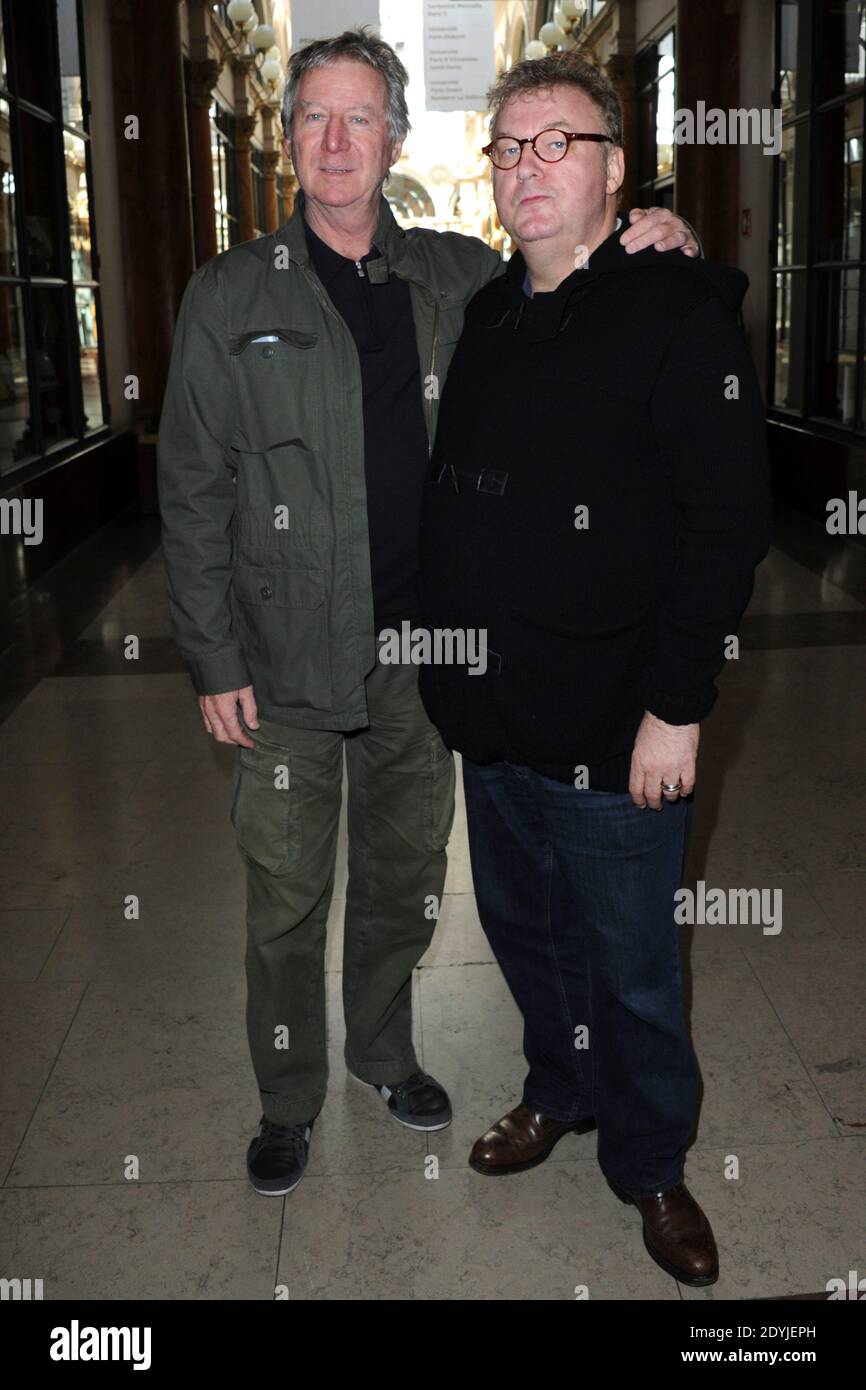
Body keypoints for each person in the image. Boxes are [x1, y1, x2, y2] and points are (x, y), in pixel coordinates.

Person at [156, 27, 699, 1200]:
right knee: (285, 896)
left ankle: (387, 1055)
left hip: (422, 663)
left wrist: (658, 234)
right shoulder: (229, 294)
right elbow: (190, 488)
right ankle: (286, 1098)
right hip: (283, 666)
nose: (337, 141)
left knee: (405, 881)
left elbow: (573, 266)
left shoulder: (459, 278)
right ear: (290, 137)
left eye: (361, 118)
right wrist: (209, 658)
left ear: (396, 138)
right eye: (313, 118)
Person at [418, 51, 772, 1286]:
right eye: (508, 148)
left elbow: (726, 527)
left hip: (620, 725)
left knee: (628, 968)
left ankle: (653, 1164)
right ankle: (555, 1095)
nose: (525, 167)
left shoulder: (675, 311)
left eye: (554, 144)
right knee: (526, 934)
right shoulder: (487, 312)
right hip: (494, 718)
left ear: (616, 171)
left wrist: (677, 708)